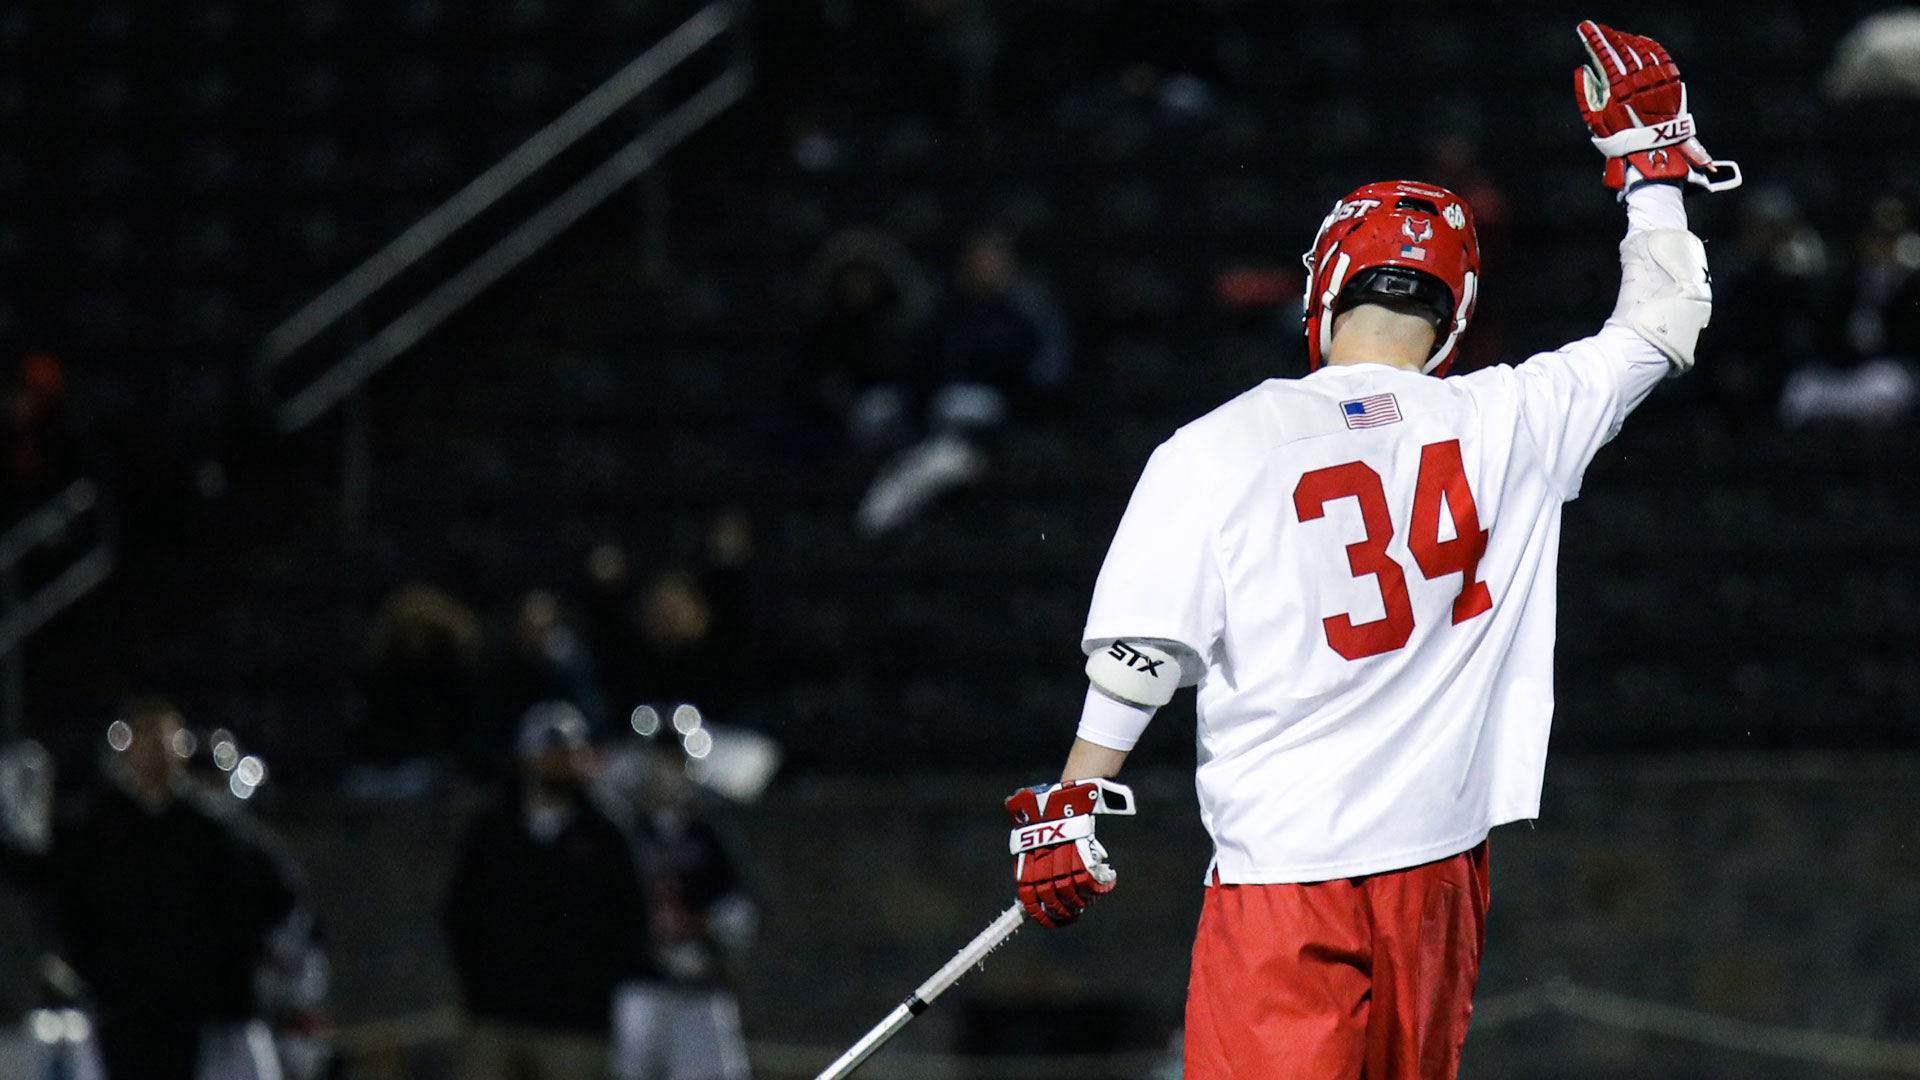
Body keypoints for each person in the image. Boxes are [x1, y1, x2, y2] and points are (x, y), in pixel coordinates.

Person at [1004, 23, 1733, 1080]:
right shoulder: (1514, 416)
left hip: (1284, 875)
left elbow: (1140, 656)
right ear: (1452, 311)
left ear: (1328, 284)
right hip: (1436, 881)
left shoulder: (1216, 446)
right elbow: (1668, 314)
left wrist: (1073, 802)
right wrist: (1653, 167)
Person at [0, 699, 301, 1080]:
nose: (152, 754)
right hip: (119, 1002)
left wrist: (226, 964)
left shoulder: (209, 830)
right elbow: (40, 874)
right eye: (142, 740)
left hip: (190, 1007)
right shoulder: (98, 826)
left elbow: (274, 891)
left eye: (163, 740)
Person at [444, 703, 656, 1080]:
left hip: (575, 1022)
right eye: (551, 753)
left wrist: (598, 991)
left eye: (569, 753)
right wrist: (479, 989)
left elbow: (631, 919)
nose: (562, 764)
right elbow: (462, 912)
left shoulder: (606, 833)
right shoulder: (494, 829)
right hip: (498, 1014)